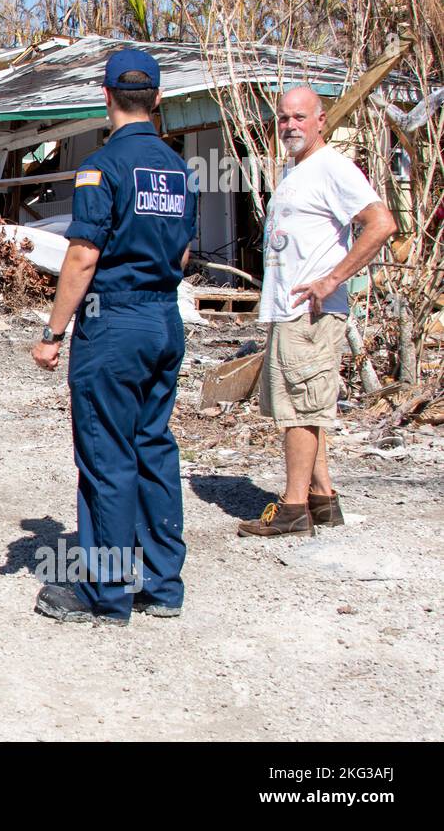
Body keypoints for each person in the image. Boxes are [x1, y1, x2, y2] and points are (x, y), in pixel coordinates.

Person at [30, 49, 198, 625]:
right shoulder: (180, 171)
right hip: (163, 319)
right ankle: (163, 584)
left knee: (106, 453)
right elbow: (182, 251)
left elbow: (82, 255)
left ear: (106, 97)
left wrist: (54, 332)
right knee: (153, 445)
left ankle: (104, 594)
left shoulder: (101, 168)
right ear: (155, 99)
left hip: (114, 322)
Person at [237, 86, 395, 537]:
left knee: (299, 411)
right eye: (283, 118)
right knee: (308, 405)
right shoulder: (295, 169)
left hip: (312, 312)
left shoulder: (332, 167)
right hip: (289, 310)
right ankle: (323, 498)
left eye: (300, 117)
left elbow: (382, 222)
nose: (290, 126)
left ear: (321, 120)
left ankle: (292, 508)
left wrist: (332, 278)